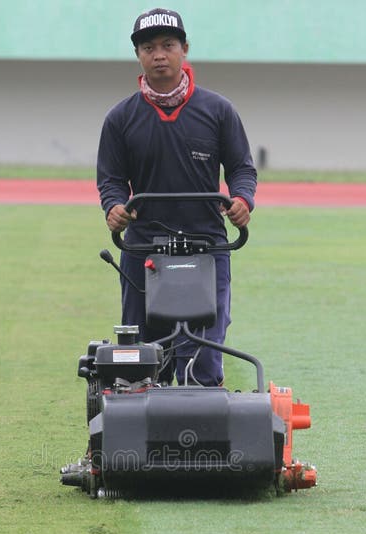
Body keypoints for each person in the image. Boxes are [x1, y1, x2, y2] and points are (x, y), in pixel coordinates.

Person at [97, 8, 257, 386]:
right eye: (148, 47)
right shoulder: (120, 119)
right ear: (138, 55)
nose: (159, 54)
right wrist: (115, 207)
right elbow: (112, 179)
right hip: (142, 247)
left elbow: (241, 168)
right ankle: (136, 418)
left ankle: (205, 412)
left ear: (184, 49)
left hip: (207, 243)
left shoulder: (218, 111)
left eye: (168, 45)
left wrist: (242, 200)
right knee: (141, 347)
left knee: (205, 340)